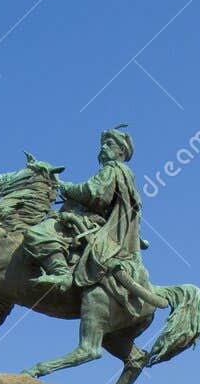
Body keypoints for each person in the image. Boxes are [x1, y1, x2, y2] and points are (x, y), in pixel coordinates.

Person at [28, 126, 153, 307]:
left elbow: (95, 193)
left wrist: (65, 186)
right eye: (102, 144)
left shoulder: (113, 168)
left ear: (121, 151)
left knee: (37, 233)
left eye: (109, 144)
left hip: (93, 223)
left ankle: (62, 274)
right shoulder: (125, 173)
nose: (103, 147)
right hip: (100, 224)